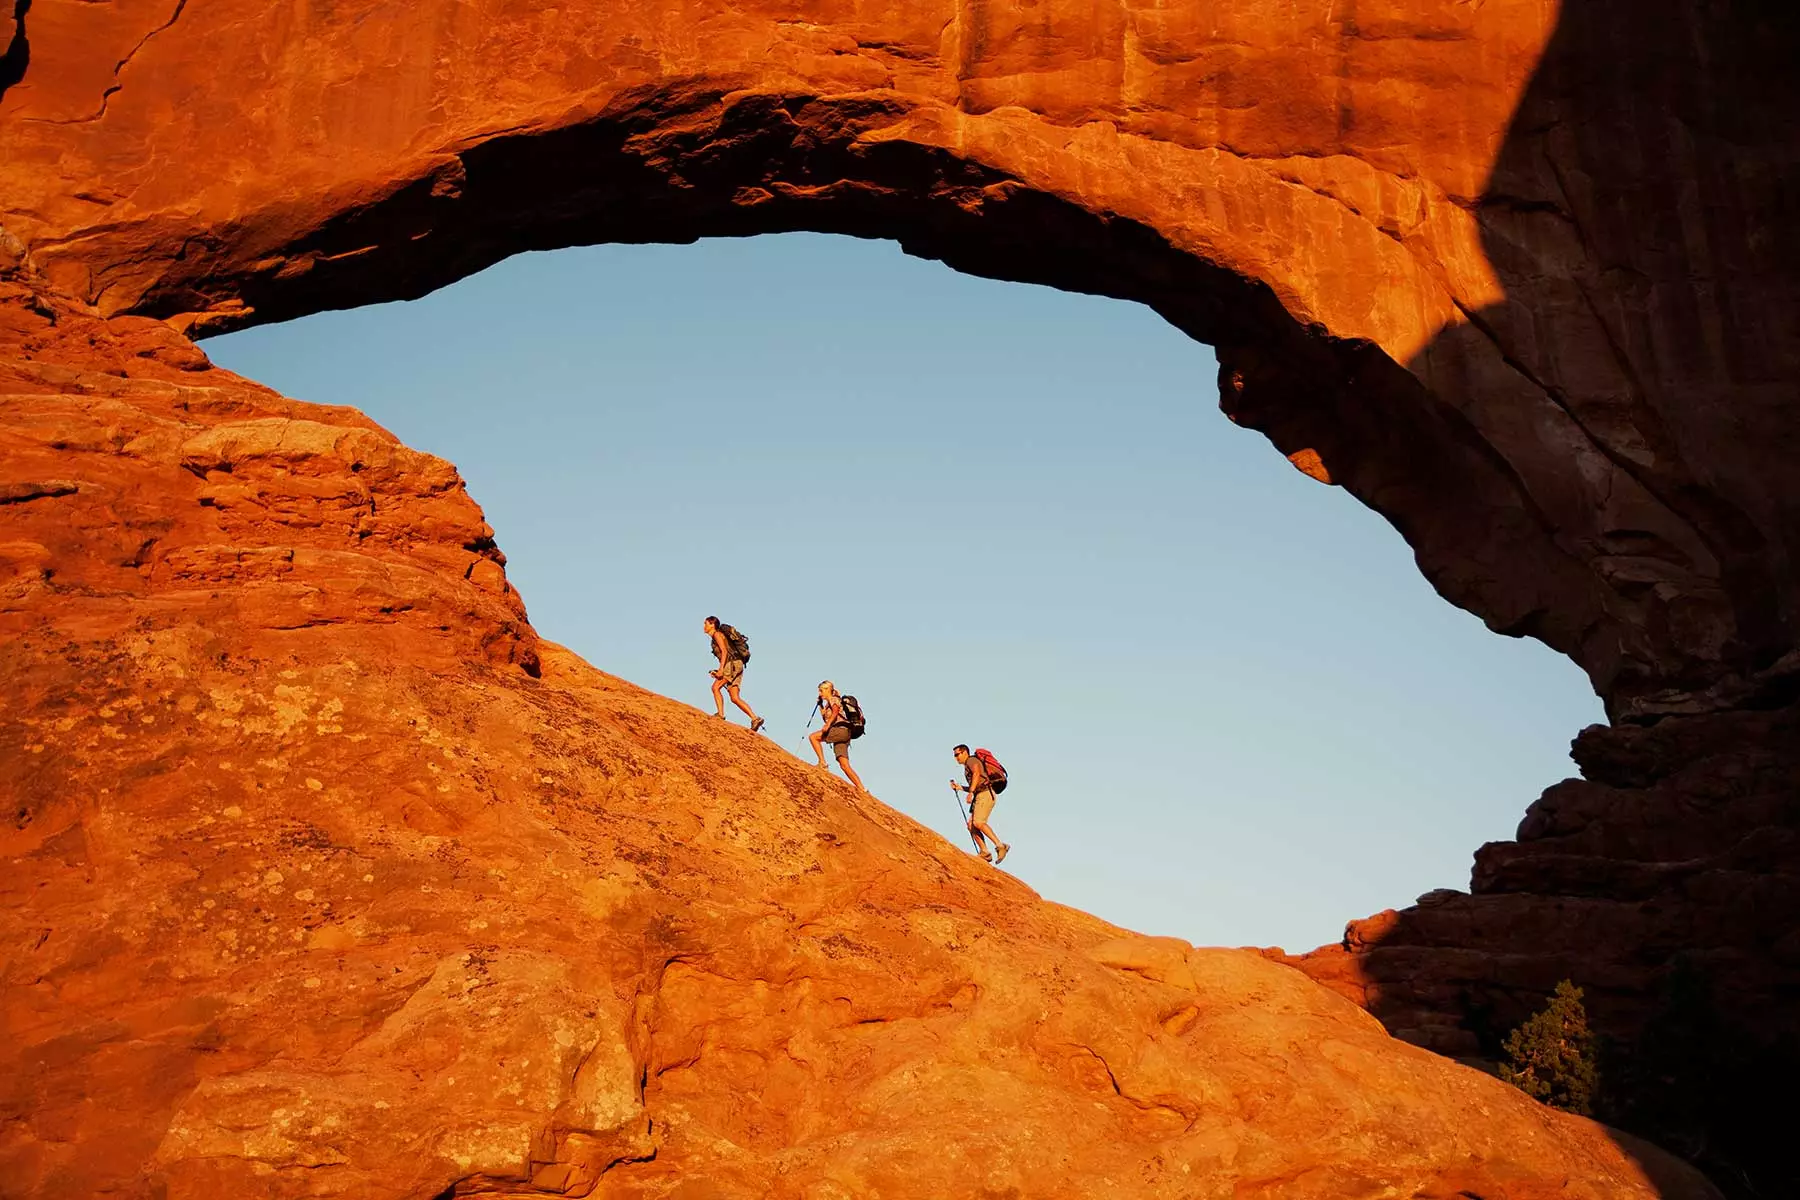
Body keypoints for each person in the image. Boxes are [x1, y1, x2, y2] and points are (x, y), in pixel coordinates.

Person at [704, 616, 764, 732]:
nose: (704, 626)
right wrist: (719, 670)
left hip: (732, 664)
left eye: (706, 623)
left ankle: (720, 715)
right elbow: (725, 653)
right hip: (736, 664)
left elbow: (725, 651)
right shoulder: (716, 637)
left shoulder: (717, 635)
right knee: (734, 697)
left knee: (715, 687)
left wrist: (721, 670)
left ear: (712, 625)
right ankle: (755, 718)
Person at [953, 744, 1009, 864]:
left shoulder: (971, 760)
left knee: (978, 822)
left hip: (985, 794)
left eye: (957, 754)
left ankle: (1000, 845)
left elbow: (977, 774)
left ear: (965, 752)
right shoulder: (968, 764)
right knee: (971, 825)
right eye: (954, 755)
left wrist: (971, 793)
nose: (956, 757)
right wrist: (961, 788)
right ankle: (985, 852)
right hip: (981, 794)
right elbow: (978, 782)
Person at [808, 680, 865, 792]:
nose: (820, 693)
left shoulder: (833, 699)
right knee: (844, 765)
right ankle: (862, 788)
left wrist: (828, 725)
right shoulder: (829, 702)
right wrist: (820, 704)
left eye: (821, 691)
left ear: (827, 690)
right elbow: (826, 716)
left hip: (839, 730)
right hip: (846, 733)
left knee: (813, 737)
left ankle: (822, 763)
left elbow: (835, 711)